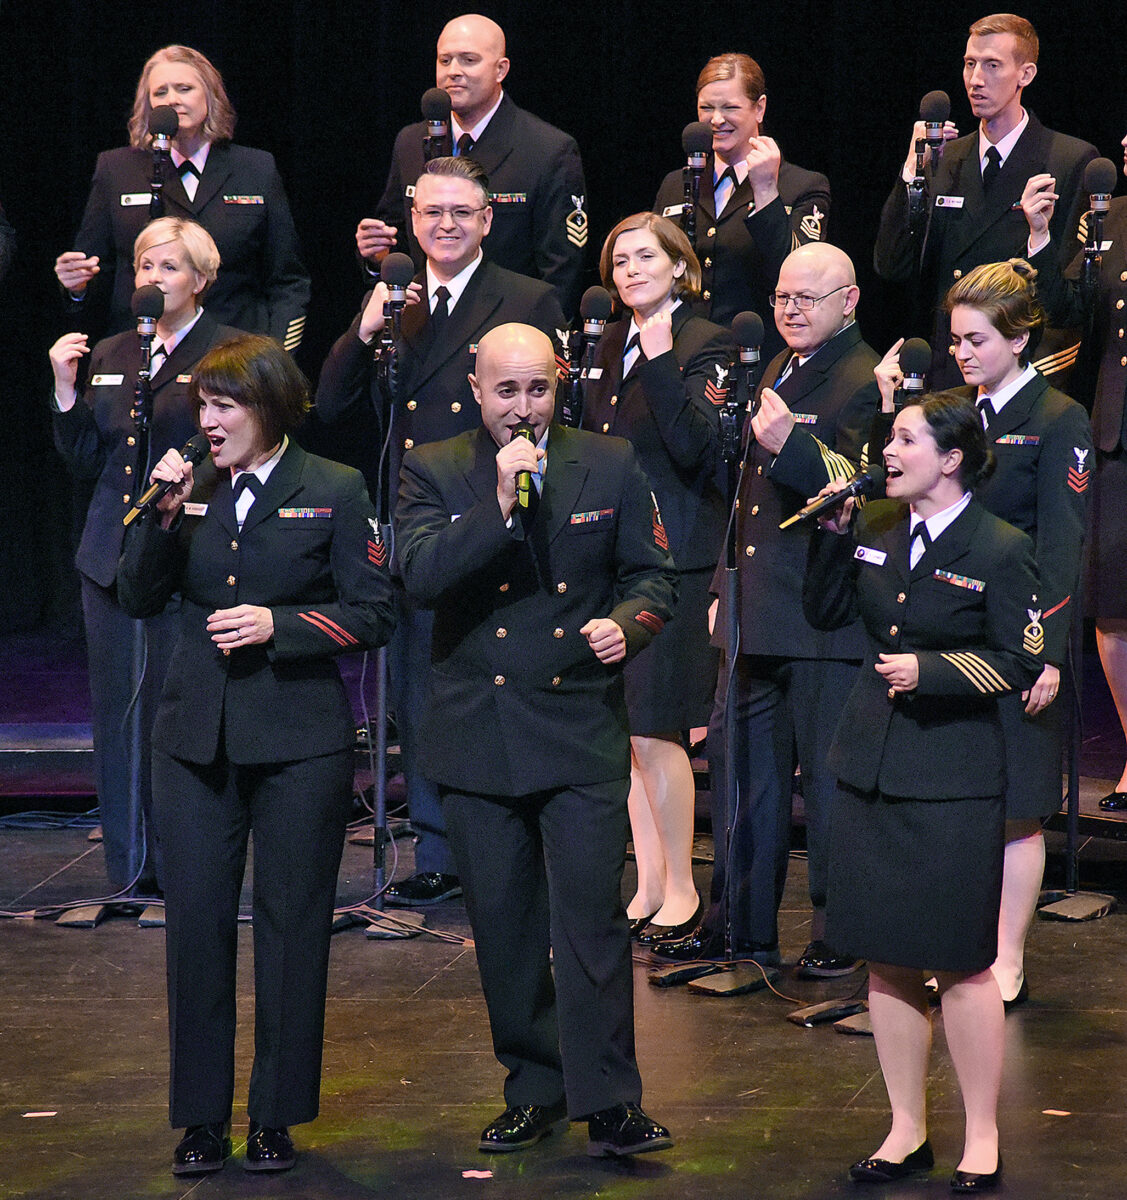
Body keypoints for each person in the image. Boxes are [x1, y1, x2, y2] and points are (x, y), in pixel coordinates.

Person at [117, 334, 396, 1175]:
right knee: (196, 929)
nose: (209, 422)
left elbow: (374, 613)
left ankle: (275, 1115)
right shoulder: (189, 487)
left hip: (297, 741)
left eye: (225, 405)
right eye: (203, 406)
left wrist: (283, 625)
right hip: (194, 739)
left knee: (292, 925)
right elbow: (137, 595)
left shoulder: (333, 487)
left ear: (269, 407)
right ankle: (201, 1118)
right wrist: (161, 520)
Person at [396, 323, 676, 1157]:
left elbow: (651, 577)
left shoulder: (608, 461)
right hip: (477, 730)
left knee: (590, 922)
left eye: (538, 390)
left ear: (559, 384)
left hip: (577, 721)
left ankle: (611, 1100)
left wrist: (630, 625)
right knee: (505, 927)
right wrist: (495, 502)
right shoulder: (432, 467)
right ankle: (533, 1086)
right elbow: (419, 576)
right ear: (475, 391)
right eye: (506, 391)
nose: (523, 409)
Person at [804, 393, 1041, 1191]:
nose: (888, 450)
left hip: (951, 777)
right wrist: (830, 537)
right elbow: (823, 613)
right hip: (872, 764)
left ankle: (981, 1135)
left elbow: (1018, 660)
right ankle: (905, 1129)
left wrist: (930, 672)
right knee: (886, 959)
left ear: (950, 458)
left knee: (961, 963)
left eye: (905, 439)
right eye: (889, 437)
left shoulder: (1000, 546)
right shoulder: (875, 527)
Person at [318, 155, 565, 907]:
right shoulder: (394, 298)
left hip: (497, 508)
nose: (446, 224)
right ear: (412, 219)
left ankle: (507, 839)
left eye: (461, 212)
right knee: (421, 691)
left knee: (497, 680)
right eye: (431, 212)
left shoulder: (526, 296)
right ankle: (435, 846)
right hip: (418, 515)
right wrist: (363, 329)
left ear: (487, 220)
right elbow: (330, 405)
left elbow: (549, 413)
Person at [651, 242, 878, 976]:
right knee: (743, 780)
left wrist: (791, 446)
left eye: (806, 298)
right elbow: (744, 498)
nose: (789, 309)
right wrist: (723, 589)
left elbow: (860, 493)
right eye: (782, 296)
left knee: (829, 789)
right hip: (754, 609)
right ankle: (738, 929)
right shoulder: (776, 365)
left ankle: (841, 934)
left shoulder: (863, 378)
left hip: (820, 614)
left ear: (848, 301)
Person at [50, 217, 238, 893]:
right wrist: (65, 390)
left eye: (169, 267)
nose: (152, 279)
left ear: (201, 279)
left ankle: (179, 867)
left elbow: (247, 449)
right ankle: (127, 870)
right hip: (110, 555)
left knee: (175, 710)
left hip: (186, 553)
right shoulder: (113, 351)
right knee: (117, 716)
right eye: (144, 266)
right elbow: (86, 460)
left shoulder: (231, 352)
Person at [581, 212, 732, 942]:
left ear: (679, 265)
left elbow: (696, 448)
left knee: (655, 725)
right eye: (620, 261)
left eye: (645, 256)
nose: (631, 270)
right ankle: (647, 881)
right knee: (628, 734)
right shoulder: (607, 340)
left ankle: (682, 887)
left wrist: (663, 357)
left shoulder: (706, 341)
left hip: (677, 558)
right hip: (615, 555)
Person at [873, 13, 1096, 388]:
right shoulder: (945, 159)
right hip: (949, 372)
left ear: (1025, 74)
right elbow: (891, 265)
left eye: (992, 65)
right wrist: (912, 171)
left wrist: (1037, 237)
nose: (976, 79)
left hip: (1018, 374)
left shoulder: (1068, 160)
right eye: (969, 64)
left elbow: (1067, 306)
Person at [55, 45, 309, 348]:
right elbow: (97, 270)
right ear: (148, 104)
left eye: (184, 88)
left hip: (235, 352)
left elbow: (287, 280)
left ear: (210, 96)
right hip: (144, 347)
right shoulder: (117, 168)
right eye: (160, 92)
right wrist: (77, 288)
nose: (172, 99)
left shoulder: (255, 168)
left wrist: (275, 357)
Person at [356, 13, 587, 316]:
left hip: (506, 328)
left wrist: (532, 336)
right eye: (445, 60)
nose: (453, 72)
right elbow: (399, 241)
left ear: (501, 69)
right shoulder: (411, 142)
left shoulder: (547, 149)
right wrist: (377, 257)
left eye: (468, 60)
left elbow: (561, 270)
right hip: (424, 325)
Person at [1026, 130, 1127, 813]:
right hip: (1116, 430)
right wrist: (1040, 238)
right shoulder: (1107, 215)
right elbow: (1068, 313)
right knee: (1114, 603)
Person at [652, 51, 830, 354]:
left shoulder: (802, 186)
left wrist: (766, 191)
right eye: (706, 108)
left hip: (757, 356)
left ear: (759, 108)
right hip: (683, 352)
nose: (716, 120)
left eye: (730, 107)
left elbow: (800, 280)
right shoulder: (676, 184)